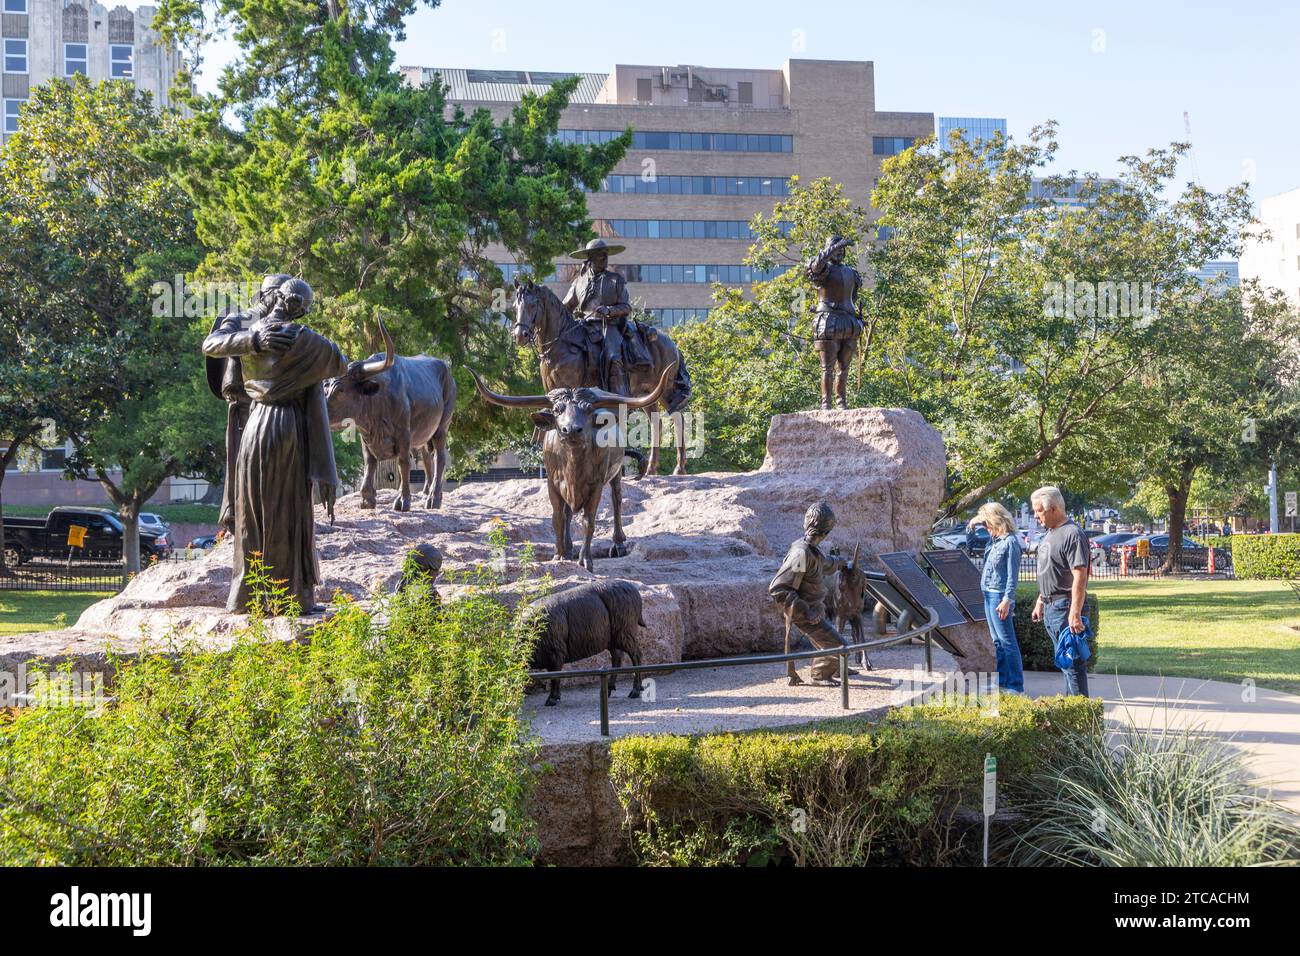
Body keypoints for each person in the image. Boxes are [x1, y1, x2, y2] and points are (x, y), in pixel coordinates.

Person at [203, 278, 353, 614]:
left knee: (254, 512)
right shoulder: (262, 328)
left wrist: (254, 342)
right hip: (277, 426)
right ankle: (287, 596)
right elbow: (339, 363)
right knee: (277, 510)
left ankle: (251, 595)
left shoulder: (270, 333)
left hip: (256, 423)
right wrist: (253, 339)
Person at [205, 273, 293, 534]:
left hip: (279, 408)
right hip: (245, 406)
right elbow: (211, 344)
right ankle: (240, 518)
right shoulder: (243, 318)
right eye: (282, 297)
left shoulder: (288, 328)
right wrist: (253, 340)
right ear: (269, 296)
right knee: (244, 470)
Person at [768, 501, 850, 686]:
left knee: (829, 641)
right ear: (827, 531)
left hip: (816, 609)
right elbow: (779, 588)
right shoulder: (801, 553)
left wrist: (841, 563)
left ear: (806, 524)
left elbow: (825, 563)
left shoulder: (812, 550)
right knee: (840, 646)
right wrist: (806, 611)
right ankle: (820, 674)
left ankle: (838, 664)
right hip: (807, 613)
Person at [561, 238, 651, 395]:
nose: (604, 257)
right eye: (600, 254)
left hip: (608, 325)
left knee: (613, 354)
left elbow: (626, 307)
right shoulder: (578, 282)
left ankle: (619, 395)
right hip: (584, 325)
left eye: (606, 254)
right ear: (590, 257)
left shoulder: (616, 280)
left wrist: (609, 311)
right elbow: (566, 307)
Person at [1029, 485, 1090, 696]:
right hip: (1051, 606)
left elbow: (1080, 575)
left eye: (1039, 510)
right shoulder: (1050, 534)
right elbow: (1051, 571)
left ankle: (1081, 720)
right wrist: (1040, 600)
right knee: (1065, 665)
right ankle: (1070, 716)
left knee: (1073, 666)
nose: (1036, 516)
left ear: (1053, 508)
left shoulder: (1073, 533)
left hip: (1065, 608)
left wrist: (1075, 612)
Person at [805, 235, 864, 410]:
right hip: (827, 323)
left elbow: (852, 298)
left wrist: (858, 317)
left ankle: (841, 402)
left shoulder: (851, 272)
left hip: (849, 324)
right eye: (835, 249)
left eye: (841, 249)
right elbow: (816, 267)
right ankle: (826, 404)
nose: (838, 252)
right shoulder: (822, 269)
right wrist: (832, 246)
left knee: (844, 368)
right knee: (827, 368)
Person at [972, 502, 1024, 694]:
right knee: (997, 641)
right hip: (988, 593)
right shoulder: (994, 541)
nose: (985, 528)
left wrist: (1007, 599)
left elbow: (1012, 576)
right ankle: (1002, 682)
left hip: (998, 596)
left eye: (987, 524)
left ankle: (1015, 685)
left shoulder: (1010, 542)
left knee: (1007, 641)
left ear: (996, 520)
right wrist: (975, 522)